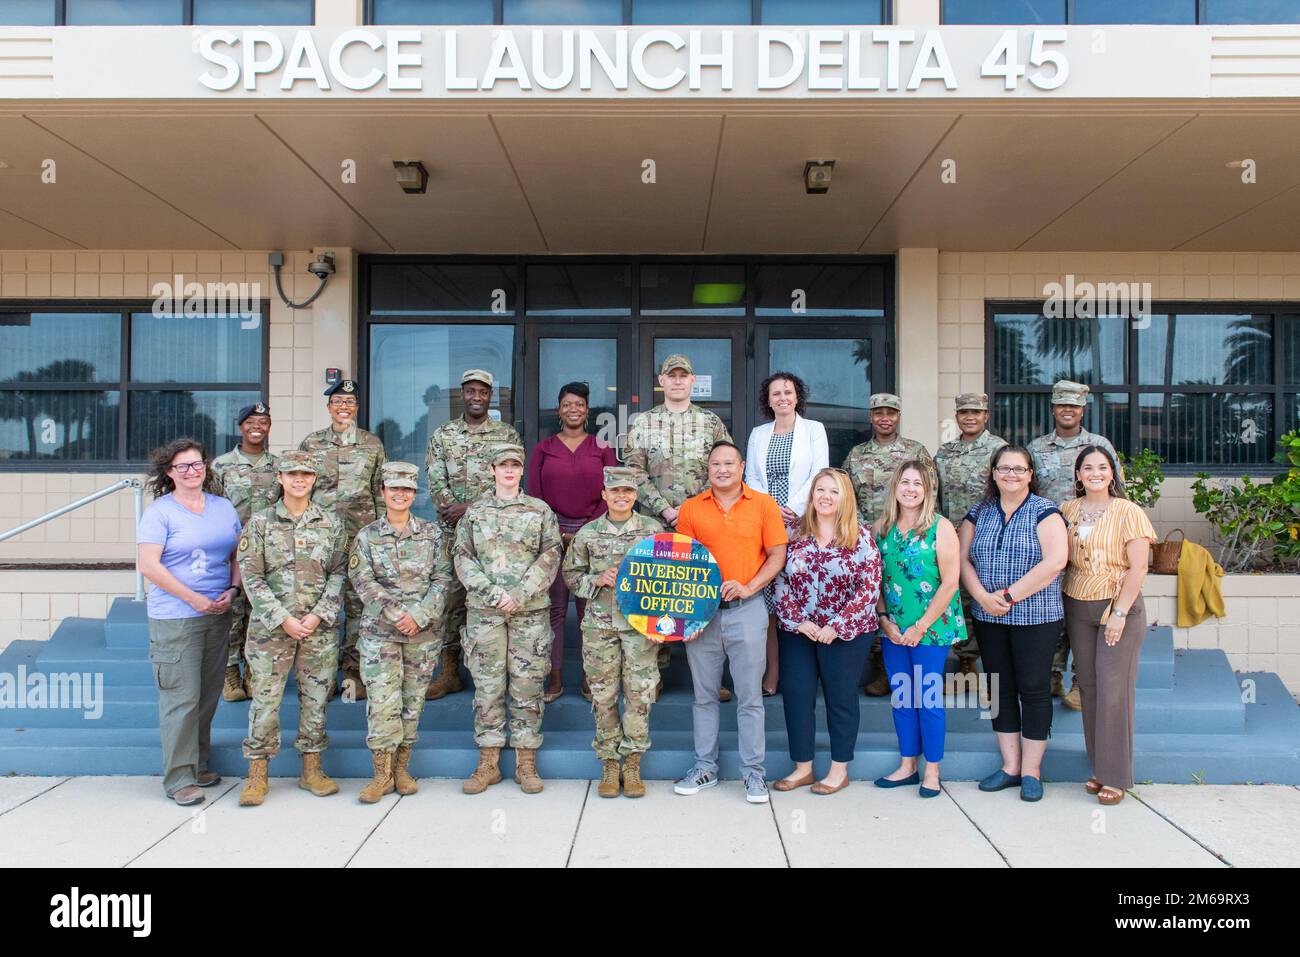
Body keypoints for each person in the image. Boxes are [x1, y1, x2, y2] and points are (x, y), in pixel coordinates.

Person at [672, 441, 788, 805]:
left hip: (748, 609)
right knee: (704, 697)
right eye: (715, 464)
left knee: (749, 698)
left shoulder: (763, 505)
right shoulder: (691, 509)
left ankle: (754, 775)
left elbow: (777, 555)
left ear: (741, 468)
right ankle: (704, 767)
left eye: (728, 463)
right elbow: (680, 563)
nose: (722, 469)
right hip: (703, 614)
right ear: (707, 470)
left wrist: (750, 585)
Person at [235, 450, 347, 807]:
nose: (300, 480)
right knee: (265, 701)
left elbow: (339, 573)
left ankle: (311, 769)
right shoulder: (261, 523)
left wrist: (317, 615)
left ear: (314, 480)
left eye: (306, 474)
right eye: (292, 474)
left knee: (315, 700)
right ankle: (257, 773)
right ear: (280, 478)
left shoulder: (330, 524)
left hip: (318, 629)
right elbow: (250, 575)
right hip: (272, 630)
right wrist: (282, 617)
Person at [136, 437, 242, 806]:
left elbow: (236, 555)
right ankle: (179, 778)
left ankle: (197, 765)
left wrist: (232, 590)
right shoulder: (161, 512)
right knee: (180, 698)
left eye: (198, 464)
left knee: (208, 694)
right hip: (177, 617)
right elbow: (149, 565)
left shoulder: (223, 507)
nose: (193, 471)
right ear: (169, 472)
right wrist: (194, 598)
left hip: (218, 613)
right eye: (183, 466)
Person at [959, 445, 1068, 803]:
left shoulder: (1044, 511)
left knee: (1033, 688)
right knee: (999, 688)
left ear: (1030, 474)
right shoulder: (980, 512)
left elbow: (1055, 562)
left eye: (1019, 469)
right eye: (1004, 469)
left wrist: (1008, 596)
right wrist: (981, 596)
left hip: (1035, 616)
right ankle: (1010, 766)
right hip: (988, 616)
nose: (1011, 475)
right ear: (993, 473)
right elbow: (961, 560)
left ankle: (1032, 772)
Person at [455, 444, 563, 795]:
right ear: (492, 470)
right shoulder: (476, 512)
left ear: (521, 471)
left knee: (528, 684)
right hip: (486, 613)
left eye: (515, 465)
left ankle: (525, 762)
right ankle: (488, 762)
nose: (509, 471)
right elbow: (462, 557)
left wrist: (519, 594)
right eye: (503, 465)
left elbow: (551, 554)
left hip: (528, 612)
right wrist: (493, 594)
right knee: (487, 686)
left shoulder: (539, 510)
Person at [623, 354, 734, 698]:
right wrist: (665, 509)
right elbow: (633, 471)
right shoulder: (643, 422)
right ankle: (654, 676)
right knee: (657, 597)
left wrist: (689, 510)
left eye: (683, 376)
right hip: (656, 523)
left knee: (703, 596)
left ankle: (710, 679)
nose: (677, 381)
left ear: (691, 380)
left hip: (702, 521)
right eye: (671, 376)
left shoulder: (710, 422)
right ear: (662, 380)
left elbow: (723, 467)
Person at [772, 468, 880, 796]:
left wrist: (835, 625)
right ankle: (802, 768)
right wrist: (797, 620)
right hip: (798, 630)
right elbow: (778, 577)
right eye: (820, 490)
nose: (826, 497)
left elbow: (869, 586)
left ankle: (838, 770)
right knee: (797, 695)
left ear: (845, 497)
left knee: (840, 697)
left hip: (845, 633)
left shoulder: (860, 536)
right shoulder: (793, 532)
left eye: (834, 491)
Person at [348, 462, 451, 804]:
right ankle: (381, 773)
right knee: (381, 703)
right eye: (394, 488)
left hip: (422, 633)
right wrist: (396, 614)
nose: (401, 494)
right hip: (381, 633)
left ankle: (402, 769)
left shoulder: (432, 534)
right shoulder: (367, 536)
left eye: (407, 489)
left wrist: (419, 615)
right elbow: (362, 581)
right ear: (383, 492)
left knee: (412, 702)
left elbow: (443, 579)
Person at [561, 467, 665, 798]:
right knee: (603, 696)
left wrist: (665, 622)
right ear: (604, 494)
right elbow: (570, 576)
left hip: (639, 627)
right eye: (615, 491)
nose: (622, 496)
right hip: (599, 626)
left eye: (628, 491)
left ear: (635, 495)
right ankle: (609, 760)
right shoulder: (588, 534)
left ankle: (632, 762)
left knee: (638, 695)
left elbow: (672, 581)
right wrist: (595, 579)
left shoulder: (652, 531)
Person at [1062, 446, 1155, 806]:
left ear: (1112, 474)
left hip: (1118, 607)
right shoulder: (1068, 510)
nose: (1095, 472)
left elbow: (1139, 567)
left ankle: (1116, 776)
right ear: (1079, 474)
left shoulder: (1128, 512)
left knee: (1115, 688)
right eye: (1088, 467)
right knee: (1089, 687)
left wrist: (1119, 612)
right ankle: (1100, 767)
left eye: (1102, 467)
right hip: (1077, 602)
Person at [424, 369, 521, 701]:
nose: (476, 397)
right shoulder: (443, 435)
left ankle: (492, 672)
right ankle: (450, 671)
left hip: (495, 536)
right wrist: (454, 509)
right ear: (462, 394)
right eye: (470, 391)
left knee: (492, 600)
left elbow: (510, 481)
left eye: (483, 391)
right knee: (449, 602)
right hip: (452, 534)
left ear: (490, 396)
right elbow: (435, 481)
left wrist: (471, 510)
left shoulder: (506, 435)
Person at [1027, 379, 1123, 711]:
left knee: (1086, 610)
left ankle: (1082, 681)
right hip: (1048, 542)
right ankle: (1052, 673)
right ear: (1053, 408)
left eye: (1074, 405)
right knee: (1052, 608)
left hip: (1092, 544)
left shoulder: (1099, 445)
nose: (1067, 410)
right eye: (1061, 404)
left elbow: (1118, 492)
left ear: (1083, 409)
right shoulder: (1036, 448)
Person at [873, 462, 967, 798]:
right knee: (902, 698)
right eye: (905, 482)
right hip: (893, 629)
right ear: (895, 487)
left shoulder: (940, 528)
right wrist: (884, 619)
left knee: (927, 698)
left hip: (930, 628)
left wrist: (919, 627)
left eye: (918, 484)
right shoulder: (882, 527)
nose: (911, 489)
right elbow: (877, 580)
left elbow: (951, 582)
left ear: (928, 491)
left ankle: (932, 771)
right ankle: (907, 765)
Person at [528, 381, 619, 703]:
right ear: (559, 410)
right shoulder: (544, 448)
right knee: (553, 608)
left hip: (591, 536)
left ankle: (588, 675)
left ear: (587, 410)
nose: (573, 409)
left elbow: (612, 494)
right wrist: (556, 531)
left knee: (588, 609)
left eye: (579, 404)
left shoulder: (602, 448)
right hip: (553, 537)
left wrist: (584, 531)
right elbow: (535, 496)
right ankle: (554, 676)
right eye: (567, 404)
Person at [842, 392, 938, 696]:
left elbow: (932, 491)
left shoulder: (916, 451)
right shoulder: (856, 455)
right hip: (868, 540)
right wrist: (861, 529)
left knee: (902, 600)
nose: (885, 418)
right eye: (879, 412)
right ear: (871, 417)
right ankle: (879, 668)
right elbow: (847, 495)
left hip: (907, 539)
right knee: (872, 598)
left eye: (891, 413)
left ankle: (893, 670)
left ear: (899, 416)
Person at [300, 379, 386, 699]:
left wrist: (379, 534)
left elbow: (379, 490)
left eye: (350, 402)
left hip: (359, 534)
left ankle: (352, 672)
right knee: (320, 600)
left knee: (356, 603)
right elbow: (300, 488)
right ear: (329, 408)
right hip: (319, 537)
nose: (344, 407)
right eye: (338, 402)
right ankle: (320, 672)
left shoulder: (371, 444)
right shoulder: (312, 444)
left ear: (357, 408)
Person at [745, 372, 829, 696]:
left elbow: (820, 473)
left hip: (802, 520)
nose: (782, 397)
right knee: (769, 600)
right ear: (768, 400)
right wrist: (769, 507)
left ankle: (805, 674)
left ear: (797, 397)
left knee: (800, 596)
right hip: (764, 522)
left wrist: (791, 507)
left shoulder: (813, 430)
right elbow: (751, 476)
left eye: (788, 392)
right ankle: (772, 672)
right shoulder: (758, 433)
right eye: (776, 393)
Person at [934, 393, 1006, 683]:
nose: (970, 417)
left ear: (986, 415)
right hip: (952, 537)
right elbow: (934, 494)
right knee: (959, 598)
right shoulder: (944, 453)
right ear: (957, 416)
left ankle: (996, 664)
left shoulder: (999, 449)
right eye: (964, 412)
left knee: (988, 596)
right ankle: (966, 660)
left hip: (988, 536)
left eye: (976, 412)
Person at [211, 401, 280, 703]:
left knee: (260, 612)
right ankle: (230, 674)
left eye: (263, 422)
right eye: (251, 422)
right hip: (231, 551)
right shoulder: (222, 465)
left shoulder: (278, 466)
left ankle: (254, 671)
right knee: (233, 612)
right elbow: (210, 507)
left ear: (268, 427)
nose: (257, 427)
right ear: (240, 427)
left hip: (268, 551)